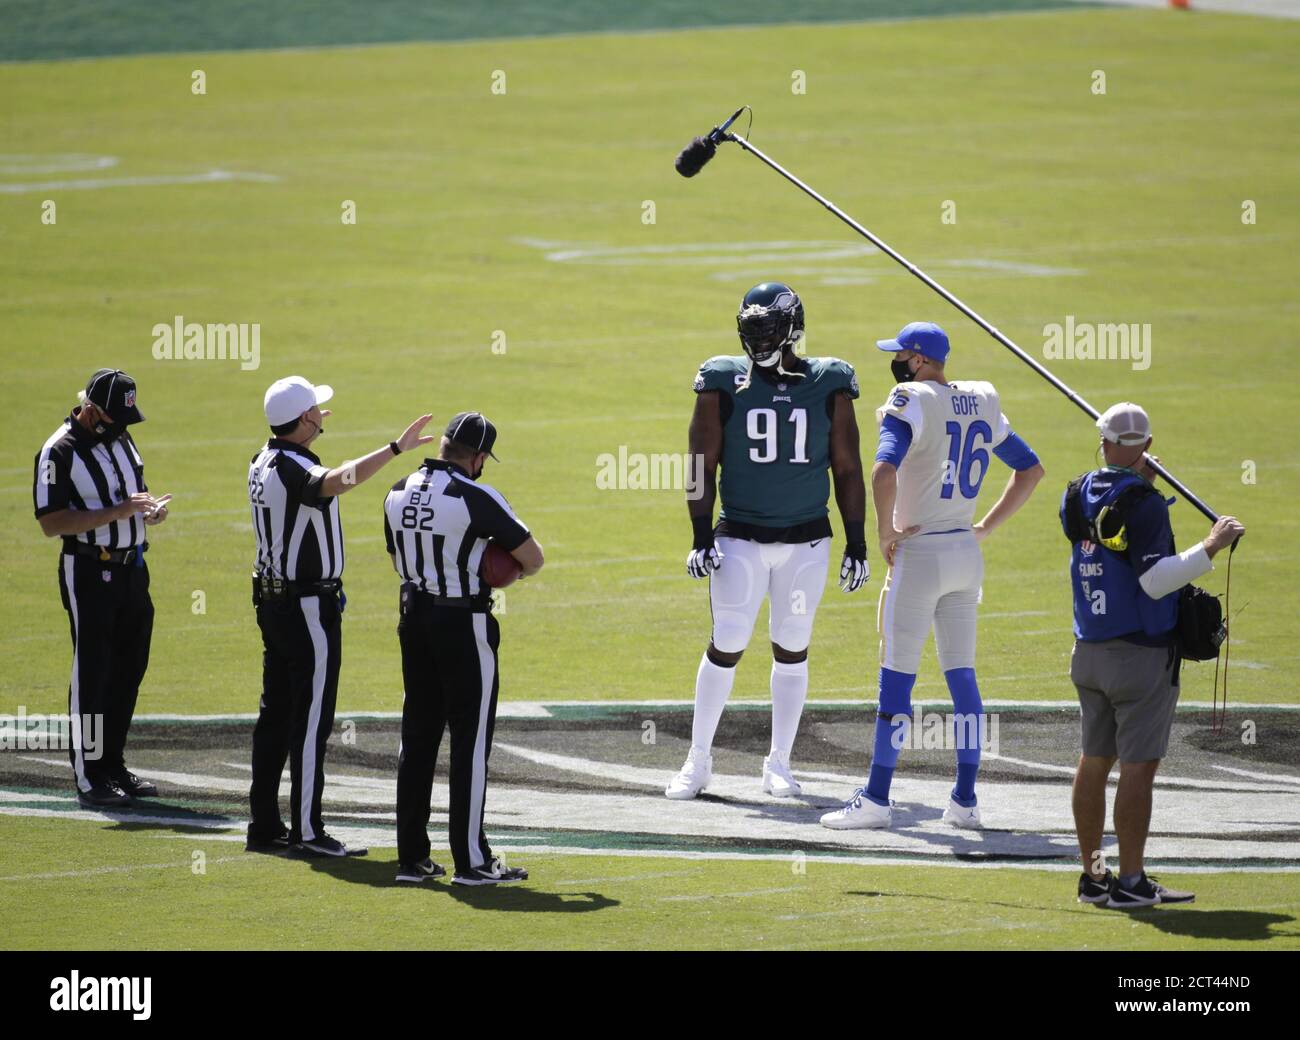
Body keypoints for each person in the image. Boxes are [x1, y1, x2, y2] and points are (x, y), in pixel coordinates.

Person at [821, 322, 1043, 831]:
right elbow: (1030, 469)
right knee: (962, 676)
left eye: (901, 353)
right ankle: (965, 799)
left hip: (920, 553)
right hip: (965, 551)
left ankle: (877, 798)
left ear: (919, 359)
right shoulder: (981, 399)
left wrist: (883, 531)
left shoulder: (910, 398)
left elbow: (881, 470)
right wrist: (985, 526)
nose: (896, 361)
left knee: (896, 678)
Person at [666, 282, 868, 800]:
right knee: (729, 639)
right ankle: (699, 758)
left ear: (792, 330)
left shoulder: (829, 381)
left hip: (806, 539)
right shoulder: (721, 380)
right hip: (741, 534)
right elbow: (698, 464)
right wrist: (697, 533)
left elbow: (847, 469)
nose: (759, 340)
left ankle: (778, 761)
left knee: (792, 645)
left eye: (769, 330)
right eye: (752, 330)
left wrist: (858, 542)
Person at [1064, 402, 1243, 908]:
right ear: (1144, 444)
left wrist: (1133, 475)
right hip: (1139, 656)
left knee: (1094, 763)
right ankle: (1133, 882)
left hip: (1089, 648)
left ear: (1105, 442)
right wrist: (1211, 544)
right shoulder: (1143, 503)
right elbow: (1156, 578)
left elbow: (1107, 527)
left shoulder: (1075, 493)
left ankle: (1094, 877)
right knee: (1138, 768)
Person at [246, 375, 433, 857]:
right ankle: (307, 831)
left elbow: (301, 467)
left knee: (275, 717)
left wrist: (303, 433)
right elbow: (338, 481)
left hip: (272, 602)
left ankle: (263, 824)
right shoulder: (297, 470)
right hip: (307, 606)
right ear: (304, 419)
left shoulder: (262, 459)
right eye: (315, 413)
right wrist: (394, 448)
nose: (321, 417)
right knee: (309, 722)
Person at [385, 412, 544, 885]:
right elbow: (533, 559)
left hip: (413, 619)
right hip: (463, 622)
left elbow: (396, 556)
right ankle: (472, 861)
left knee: (417, 738)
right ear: (477, 457)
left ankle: (412, 857)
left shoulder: (397, 489)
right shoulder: (476, 494)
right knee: (470, 743)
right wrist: (492, 565)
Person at [33, 369, 170, 807]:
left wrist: (147, 513)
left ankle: (112, 764)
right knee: (92, 673)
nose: (121, 428)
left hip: (133, 568)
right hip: (90, 570)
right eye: (114, 419)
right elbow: (51, 523)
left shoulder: (122, 436)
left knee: (129, 669)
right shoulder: (60, 450)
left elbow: (134, 492)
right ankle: (88, 775)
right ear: (91, 410)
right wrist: (118, 512)